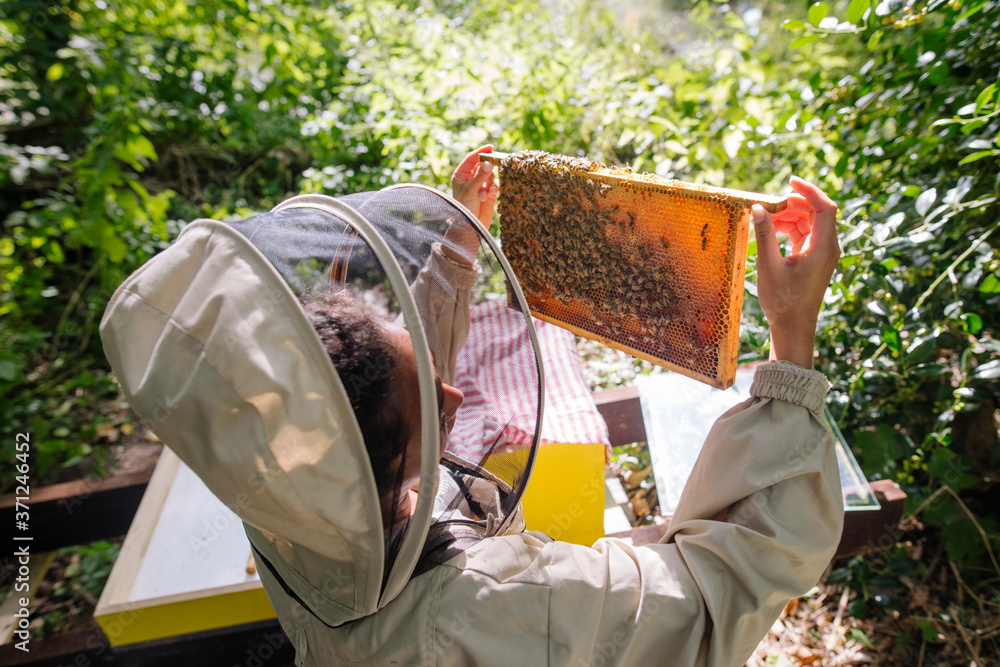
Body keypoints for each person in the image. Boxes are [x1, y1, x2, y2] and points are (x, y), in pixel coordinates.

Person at [101, 145, 843, 667]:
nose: (453, 390)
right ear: (367, 455)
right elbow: (729, 581)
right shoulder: (508, 608)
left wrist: (457, 248)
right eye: (431, 397)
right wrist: (792, 341)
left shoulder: (287, 495)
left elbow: (376, 391)